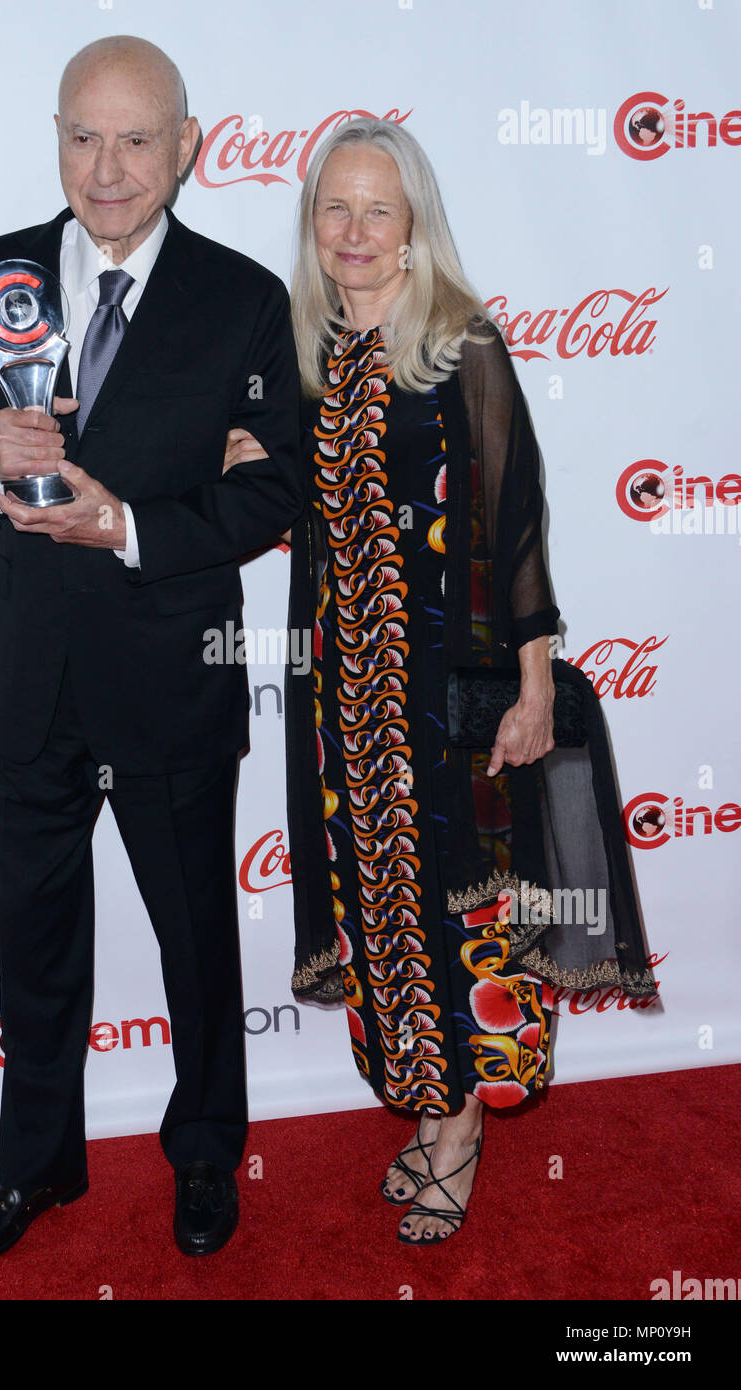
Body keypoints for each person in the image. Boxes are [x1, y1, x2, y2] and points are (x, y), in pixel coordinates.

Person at [226, 117, 657, 1244]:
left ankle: (458, 1125)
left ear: (413, 226)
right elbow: (285, 505)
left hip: (449, 698)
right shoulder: (303, 352)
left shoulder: (459, 344)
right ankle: (425, 1100)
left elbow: (517, 530)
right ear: (311, 224)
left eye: (377, 209)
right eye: (334, 208)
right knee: (379, 918)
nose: (353, 231)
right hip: (341, 701)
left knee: (456, 914)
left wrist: (529, 687)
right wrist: (242, 461)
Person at [0, 35, 302, 1265]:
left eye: (137, 137)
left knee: (196, 940)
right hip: (30, 681)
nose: (109, 165)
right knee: (33, 947)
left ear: (186, 146)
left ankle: (203, 1158)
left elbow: (273, 494)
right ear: (56, 137)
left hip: (171, 676)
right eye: (84, 134)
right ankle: (35, 1173)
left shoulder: (245, 299)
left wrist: (129, 525)